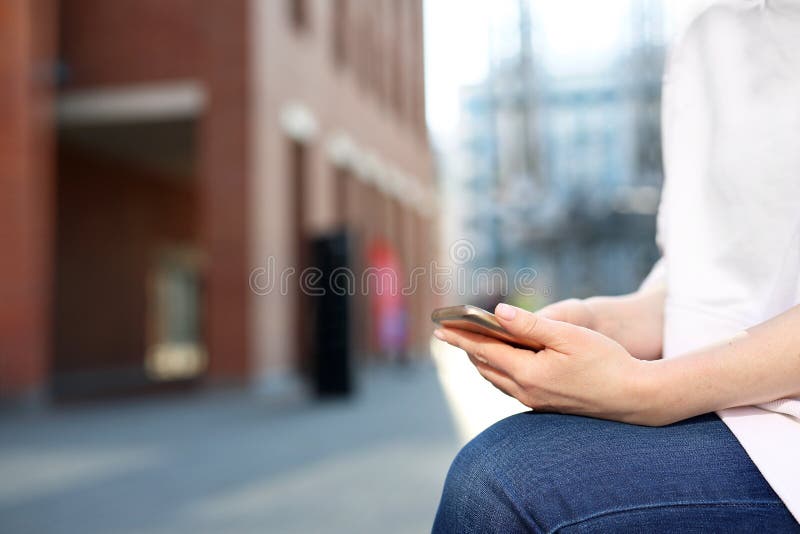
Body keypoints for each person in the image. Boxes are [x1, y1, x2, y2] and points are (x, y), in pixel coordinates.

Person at [432, 1, 800, 531]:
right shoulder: (709, 33)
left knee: (503, 483)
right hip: (742, 410)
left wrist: (646, 391)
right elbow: (714, 282)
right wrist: (597, 322)